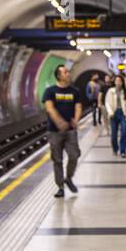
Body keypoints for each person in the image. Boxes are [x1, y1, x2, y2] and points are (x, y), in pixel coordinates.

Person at [43, 64, 82, 197]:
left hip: (70, 131)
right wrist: (59, 121)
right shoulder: (50, 91)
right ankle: (60, 187)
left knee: (74, 155)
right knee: (57, 160)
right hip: (54, 131)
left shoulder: (74, 91)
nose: (68, 74)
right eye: (65, 72)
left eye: (68, 72)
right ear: (59, 76)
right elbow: (49, 108)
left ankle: (68, 177)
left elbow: (78, 107)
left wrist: (76, 120)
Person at [104, 74, 126, 158]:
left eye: (120, 81)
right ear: (114, 82)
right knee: (114, 134)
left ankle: (123, 151)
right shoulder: (110, 91)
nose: (118, 82)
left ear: (122, 82)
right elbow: (107, 103)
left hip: (123, 114)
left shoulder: (125, 91)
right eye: (117, 81)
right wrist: (110, 112)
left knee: (124, 132)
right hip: (114, 114)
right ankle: (115, 149)